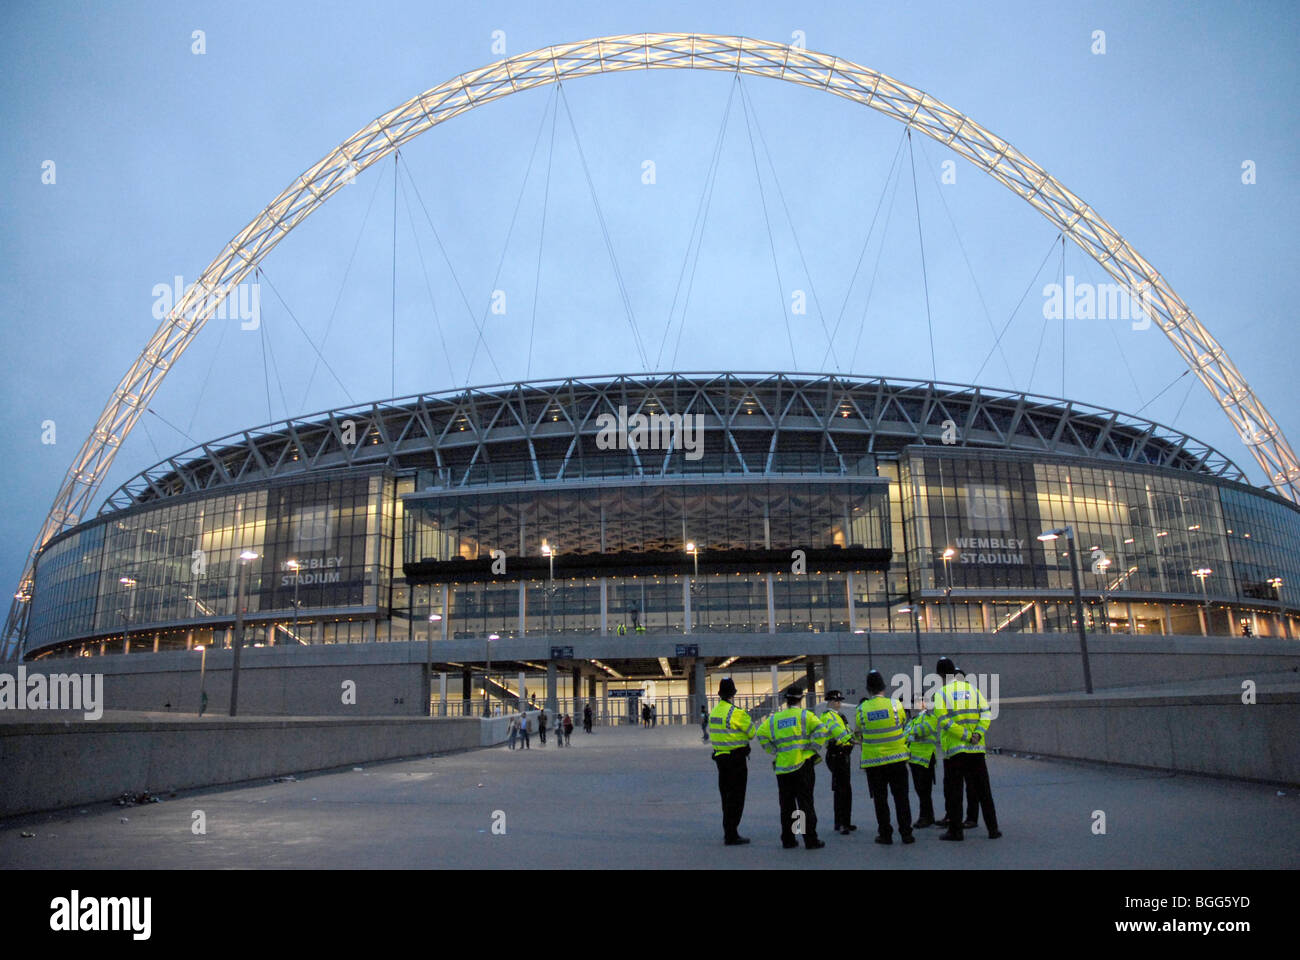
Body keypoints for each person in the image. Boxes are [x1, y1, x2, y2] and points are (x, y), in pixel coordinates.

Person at [756, 686, 832, 850]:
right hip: (802, 764)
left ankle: (789, 839)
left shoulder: (774, 719)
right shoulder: (806, 716)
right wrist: (813, 747)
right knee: (805, 804)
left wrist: (773, 750)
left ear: (786, 700)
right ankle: (810, 839)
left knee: (787, 805)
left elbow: (760, 733)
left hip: (783, 767)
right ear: (801, 698)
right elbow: (822, 729)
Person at [932, 657, 1000, 841]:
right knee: (984, 791)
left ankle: (956, 831)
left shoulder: (941, 694)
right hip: (976, 750)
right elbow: (986, 713)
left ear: (940, 675)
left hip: (956, 751)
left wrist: (965, 736)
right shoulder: (973, 689)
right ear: (954, 671)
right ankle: (993, 829)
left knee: (955, 792)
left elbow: (944, 721)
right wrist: (977, 733)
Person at [855, 669, 914, 845]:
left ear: (868, 689)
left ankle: (885, 834)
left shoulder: (862, 709)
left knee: (880, 800)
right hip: (897, 759)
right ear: (883, 687)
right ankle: (906, 834)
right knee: (901, 797)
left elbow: (858, 732)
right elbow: (904, 725)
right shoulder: (896, 705)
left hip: (874, 762)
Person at [707, 677, 757, 846]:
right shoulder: (737, 713)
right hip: (736, 759)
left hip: (720, 758)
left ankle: (728, 830)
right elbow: (751, 733)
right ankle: (732, 834)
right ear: (733, 694)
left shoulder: (714, 712)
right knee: (737, 797)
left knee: (726, 796)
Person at [819, 691, 857, 834]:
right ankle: (841, 823)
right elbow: (838, 732)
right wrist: (852, 740)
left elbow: (846, 730)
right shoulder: (827, 716)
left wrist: (853, 736)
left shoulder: (839, 715)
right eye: (836, 701)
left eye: (839, 701)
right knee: (842, 789)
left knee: (845, 788)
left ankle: (844, 821)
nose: (839, 703)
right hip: (836, 754)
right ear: (829, 702)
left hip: (843, 754)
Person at [903, 697, 938, 828]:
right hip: (914, 759)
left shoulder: (930, 717)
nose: (916, 704)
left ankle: (926, 817)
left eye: (919, 701)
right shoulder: (914, 720)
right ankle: (927, 815)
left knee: (924, 790)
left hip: (926, 758)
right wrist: (911, 734)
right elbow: (904, 734)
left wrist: (910, 734)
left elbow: (924, 730)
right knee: (920, 790)